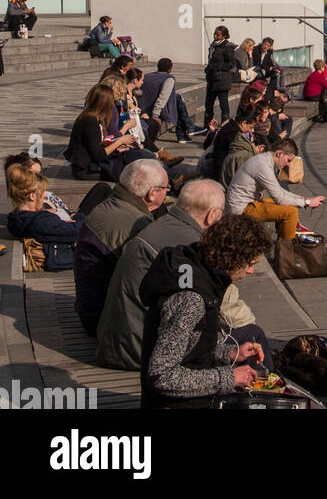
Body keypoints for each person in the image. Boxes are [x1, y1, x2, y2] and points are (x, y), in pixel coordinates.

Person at [96, 179, 262, 371]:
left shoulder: (163, 224)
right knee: (252, 333)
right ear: (213, 214)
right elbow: (228, 310)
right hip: (141, 349)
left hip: (119, 339)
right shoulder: (195, 246)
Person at [140, 215, 269, 408]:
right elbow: (161, 375)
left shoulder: (201, 273)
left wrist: (231, 354)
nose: (250, 271)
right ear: (233, 259)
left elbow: (190, 348)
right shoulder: (192, 299)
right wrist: (229, 378)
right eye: (249, 263)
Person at [74, 159, 169, 335]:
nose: (167, 193)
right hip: (106, 321)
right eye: (166, 189)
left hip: (92, 308)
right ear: (153, 193)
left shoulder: (111, 205)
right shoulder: (136, 225)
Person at [225, 138, 323, 240]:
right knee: (291, 212)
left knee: (288, 207)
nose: (288, 164)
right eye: (288, 160)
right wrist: (306, 202)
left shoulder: (264, 160)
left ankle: (282, 244)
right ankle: (286, 249)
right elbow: (279, 198)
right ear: (279, 153)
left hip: (246, 203)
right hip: (241, 208)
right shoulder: (263, 166)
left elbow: (279, 191)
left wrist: (302, 199)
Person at [5, 165, 80, 270]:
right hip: (74, 253)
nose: (45, 196)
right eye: (43, 191)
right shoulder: (39, 221)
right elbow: (77, 230)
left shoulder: (19, 218)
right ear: (32, 196)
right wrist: (76, 215)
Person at [66, 86, 141, 180]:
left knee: (136, 155)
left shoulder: (94, 117)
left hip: (92, 164)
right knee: (132, 172)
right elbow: (99, 155)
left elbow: (98, 144)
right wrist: (120, 141)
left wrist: (119, 142)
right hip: (87, 169)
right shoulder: (90, 122)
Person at [216, 108, 260, 187]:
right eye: (250, 127)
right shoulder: (235, 134)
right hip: (222, 170)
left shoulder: (230, 126)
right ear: (243, 123)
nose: (250, 130)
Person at [204, 26, 238, 124]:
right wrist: (208, 68)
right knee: (208, 104)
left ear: (224, 36)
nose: (215, 36)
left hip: (222, 80)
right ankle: (207, 127)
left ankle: (224, 127)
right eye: (214, 33)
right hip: (212, 79)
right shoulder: (213, 46)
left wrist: (218, 66)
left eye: (218, 35)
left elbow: (231, 64)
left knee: (223, 105)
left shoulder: (227, 47)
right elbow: (211, 60)